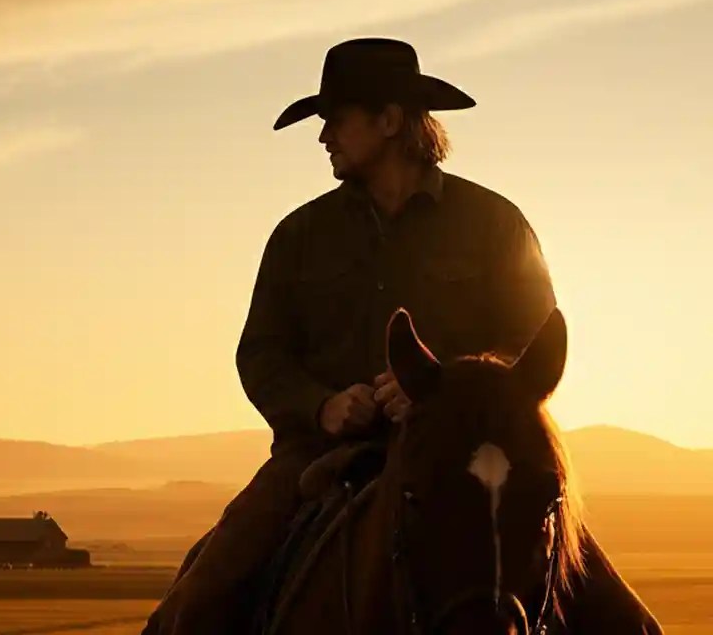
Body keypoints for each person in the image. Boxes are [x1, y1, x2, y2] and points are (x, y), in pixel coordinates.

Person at [143, 38, 661, 634]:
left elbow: (532, 343)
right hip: (319, 457)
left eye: (336, 120)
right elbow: (261, 352)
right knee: (193, 610)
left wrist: (444, 390)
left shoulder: (494, 224)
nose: (323, 137)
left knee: (630, 629)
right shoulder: (300, 235)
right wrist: (324, 405)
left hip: (470, 463)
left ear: (389, 120)